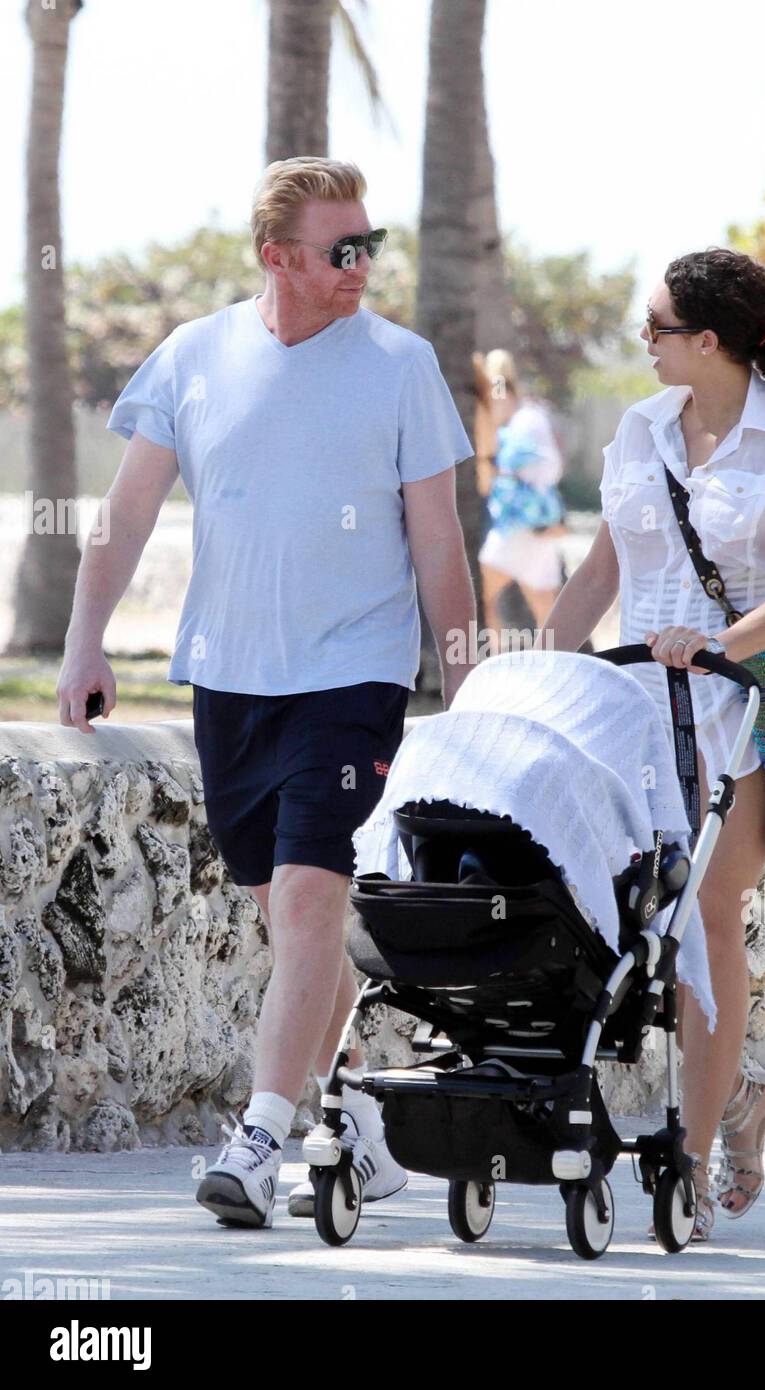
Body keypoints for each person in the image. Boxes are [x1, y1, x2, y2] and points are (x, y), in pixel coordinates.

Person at [56, 157, 477, 1229]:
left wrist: (470, 682)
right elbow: (127, 514)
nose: (362, 266)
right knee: (294, 927)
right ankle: (360, 1130)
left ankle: (256, 1140)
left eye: (370, 245)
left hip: (353, 676)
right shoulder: (194, 357)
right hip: (230, 681)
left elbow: (438, 539)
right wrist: (84, 645)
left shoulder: (401, 365)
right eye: (342, 250)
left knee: (306, 899)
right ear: (277, 257)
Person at [539, 247, 765, 1240]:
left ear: (707, 341)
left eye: (658, 326)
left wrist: (711, 645)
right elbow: (600, 570)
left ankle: (690, 1151)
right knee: (614, 924)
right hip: (627, 710)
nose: (645, 340)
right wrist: (539, 665)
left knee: (706, 928)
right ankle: (742, 1089)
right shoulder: (638, 429)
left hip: (733, 708)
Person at [477, 349, 566, 652]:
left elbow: (545, 467)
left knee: (485, 592)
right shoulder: (529, 417)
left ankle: (497, 660)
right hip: (531, 526)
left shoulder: (524, 421)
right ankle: (546, 667)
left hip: (522, 525)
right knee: (543, 604)